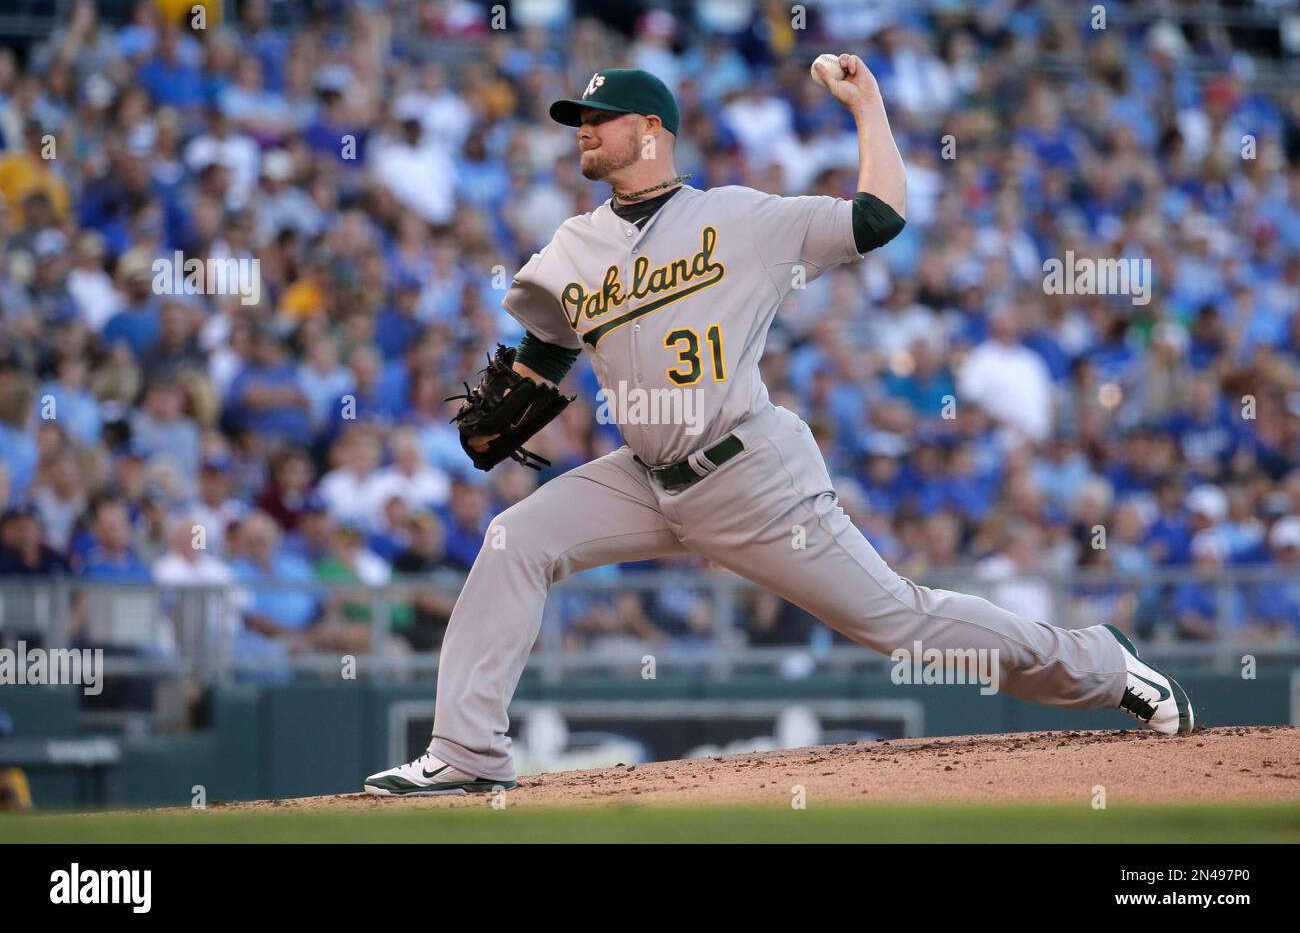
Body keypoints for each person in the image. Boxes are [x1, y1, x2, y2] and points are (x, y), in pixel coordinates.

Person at [353, 60, 1191, 797]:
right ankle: (466, 750)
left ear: (651, 130)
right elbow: (546, 344)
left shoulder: (740, 219)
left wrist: (868, 109)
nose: (583, 132)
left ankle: (1102, 665)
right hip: (644, 478)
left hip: (750, 473)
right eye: (577, 121)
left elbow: (878, 218)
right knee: (514, 542)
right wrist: (527, 386)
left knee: (902, 623)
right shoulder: (574, 245)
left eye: (597, 119)